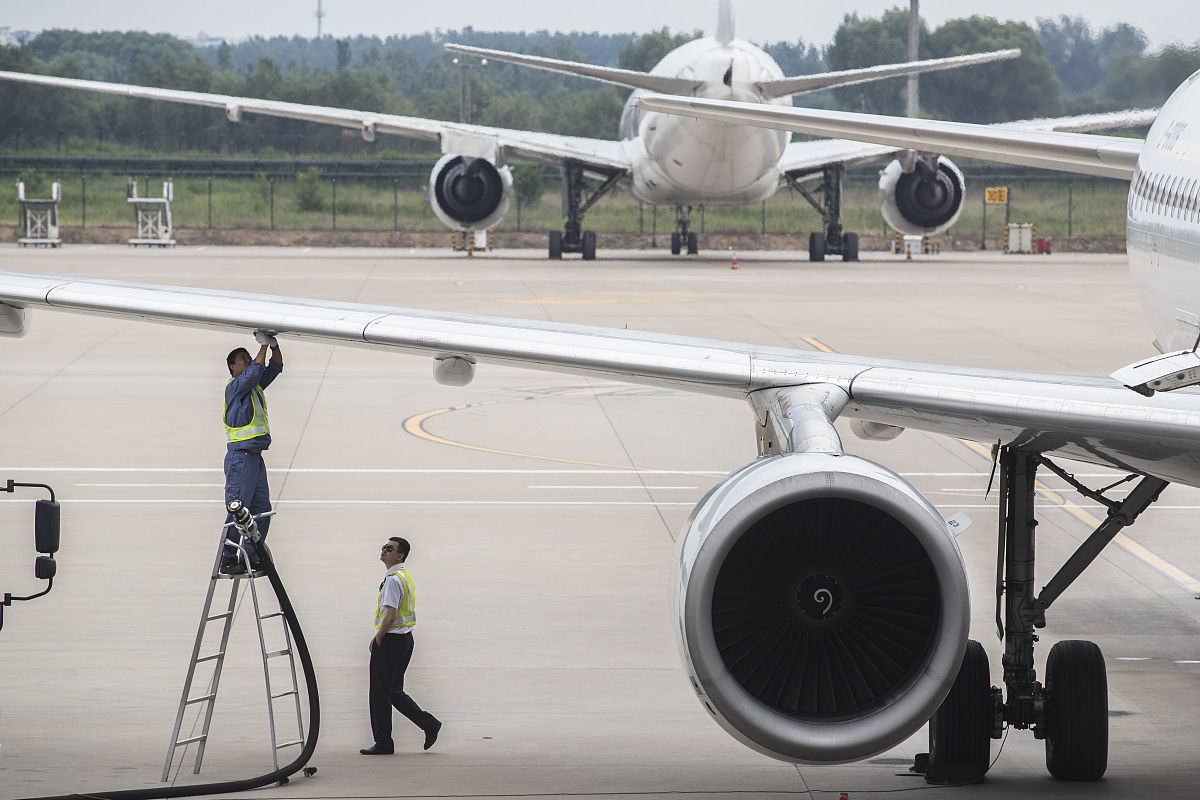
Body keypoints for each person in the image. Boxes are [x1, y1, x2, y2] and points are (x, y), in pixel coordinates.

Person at [361, 536, 442, 755]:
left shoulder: (394, 579)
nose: (384, 550)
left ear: (400, 555)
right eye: (384, 546)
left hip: (392, 641)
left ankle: (384, 742)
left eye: (390, 548)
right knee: (394, 692)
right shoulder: (402, 575)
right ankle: (428, 723)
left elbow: (391, 615)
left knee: (380, 694)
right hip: (404, 640)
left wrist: (379, 638)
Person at [220, 331, 283, 574]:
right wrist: (263, 347)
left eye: (249, 357)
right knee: (238, 508)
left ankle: (254, 554)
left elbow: (274, 368)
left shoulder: (252, 386)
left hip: (255, 459)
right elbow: (257, 370)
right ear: (232, 368)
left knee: (261, 509)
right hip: (241, 457)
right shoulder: (236, 387)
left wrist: (274, 346)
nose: (248, 361)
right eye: (243, 359)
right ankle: (227, 558)